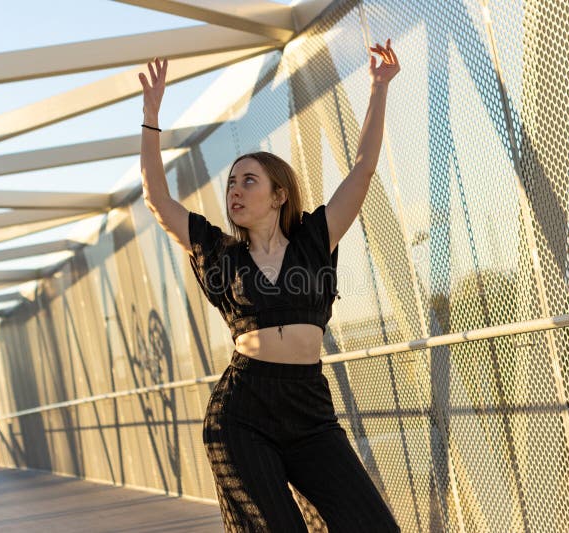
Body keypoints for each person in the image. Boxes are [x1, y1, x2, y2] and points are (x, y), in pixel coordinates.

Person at [138, 38, 401, 532]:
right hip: (242, 413)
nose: (234, 189)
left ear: (279, 194)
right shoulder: (220, 254)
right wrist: (152, 116)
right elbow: (156, 195)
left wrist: (378, 88)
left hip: (309, 407)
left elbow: (363, 169)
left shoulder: (314, 240)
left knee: (374, 526)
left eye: (248, 181)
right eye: (231, 183)